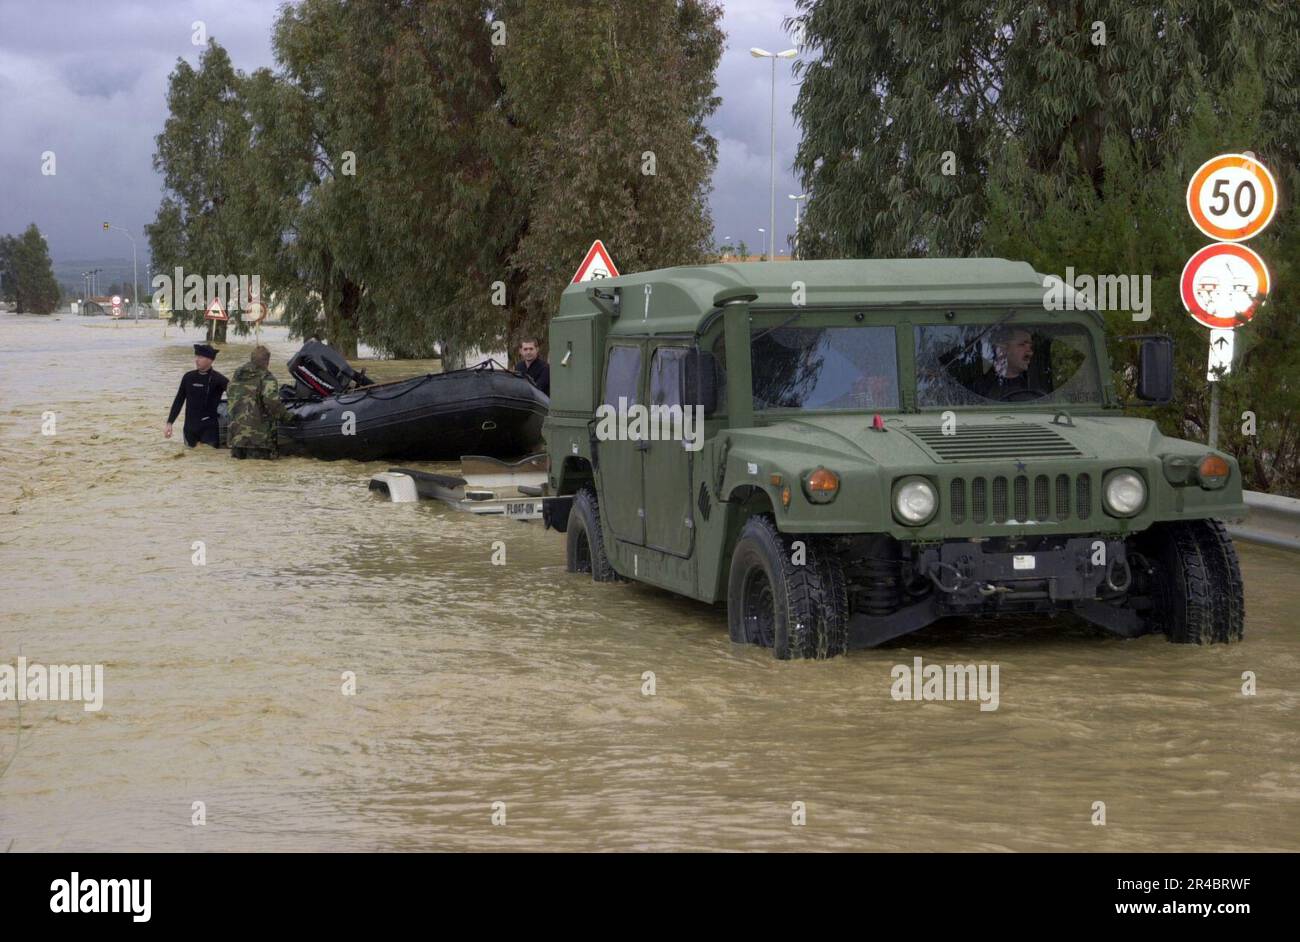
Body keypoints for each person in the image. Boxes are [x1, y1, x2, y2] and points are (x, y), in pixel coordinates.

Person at [227, 345, 297, 459]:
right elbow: (272, 403)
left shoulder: (236, 377)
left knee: (241, 473)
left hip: (236, 439)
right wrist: (288, 417)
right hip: (258, 440)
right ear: (267, 361)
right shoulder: (267, 378)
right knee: (260, 472)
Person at [165, 343, 228, 447]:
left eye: (200, 357)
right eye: (196, 356)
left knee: (208, 458)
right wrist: (169, 423)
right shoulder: (188, 377)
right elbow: (179, 400)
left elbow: (236, 396)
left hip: (209, 429)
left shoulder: (218, 379)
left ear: (210, 360)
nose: (196, 360)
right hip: (190, 428)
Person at [971, 326, 1042, 400]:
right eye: (1022, 344)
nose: (1030, 353)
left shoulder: (1034, 388)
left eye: (1030, 346)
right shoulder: (978, 389)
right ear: (1002, 348)